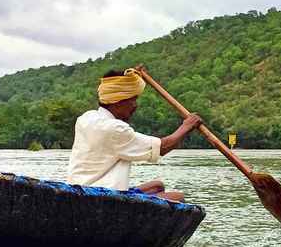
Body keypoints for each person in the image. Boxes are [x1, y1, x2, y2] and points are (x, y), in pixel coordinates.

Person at [66, 68, 202, 202]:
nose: (135, 106)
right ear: (118, 102)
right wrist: (188, 126)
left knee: (157, 186)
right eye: (133, 100)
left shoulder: (86, 118)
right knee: (178, 198)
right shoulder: (115, 129)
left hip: (79, 191)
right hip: (102, 197)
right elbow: (162, 147)